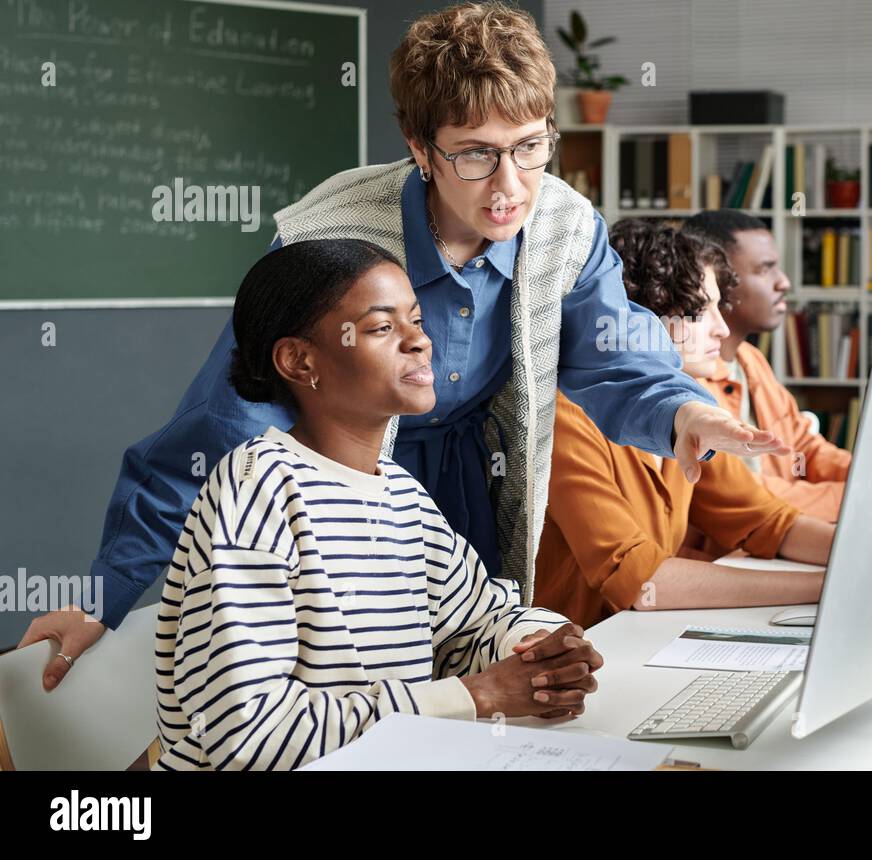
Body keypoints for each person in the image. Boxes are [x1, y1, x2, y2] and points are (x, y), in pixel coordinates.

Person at [22, 0, 786, 689]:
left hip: (474, 492)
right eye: (476, 153)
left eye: (530, 147)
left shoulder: (563, 226)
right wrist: (104, 598)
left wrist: (689, 415)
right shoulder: (330, 240)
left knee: (471, 682)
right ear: (419, 147)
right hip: (334, 502)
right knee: (353, 693)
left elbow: (619, 360)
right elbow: (215, 432)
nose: (509, 186)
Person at [155, 239, 600, 770]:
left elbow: (474, 625)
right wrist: (476, 697)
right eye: (382, 328)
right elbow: (245, 735)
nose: (419, 342)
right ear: (300, 360)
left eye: (415, 319)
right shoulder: (257, 491)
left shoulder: (398, 491)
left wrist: (540, 646)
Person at [532, 220, 833, 629]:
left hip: (640, 639)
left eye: (717, 307)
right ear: (636, 323)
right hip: (574, 656)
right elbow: (639, 581)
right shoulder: (567, 416)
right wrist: (825, 587)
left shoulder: (691, 410)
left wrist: (871, 557)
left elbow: (765, 522)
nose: (722, 329)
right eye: (696, 313)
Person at [683, 209, 850, 522]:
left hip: (781, 537)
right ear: (718, 280)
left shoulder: (750, 360)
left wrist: (871, 475)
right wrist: (859, 496)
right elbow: (748, 498)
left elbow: (806, 449)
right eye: (765, 270)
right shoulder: (687, 381)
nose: (783, 282)